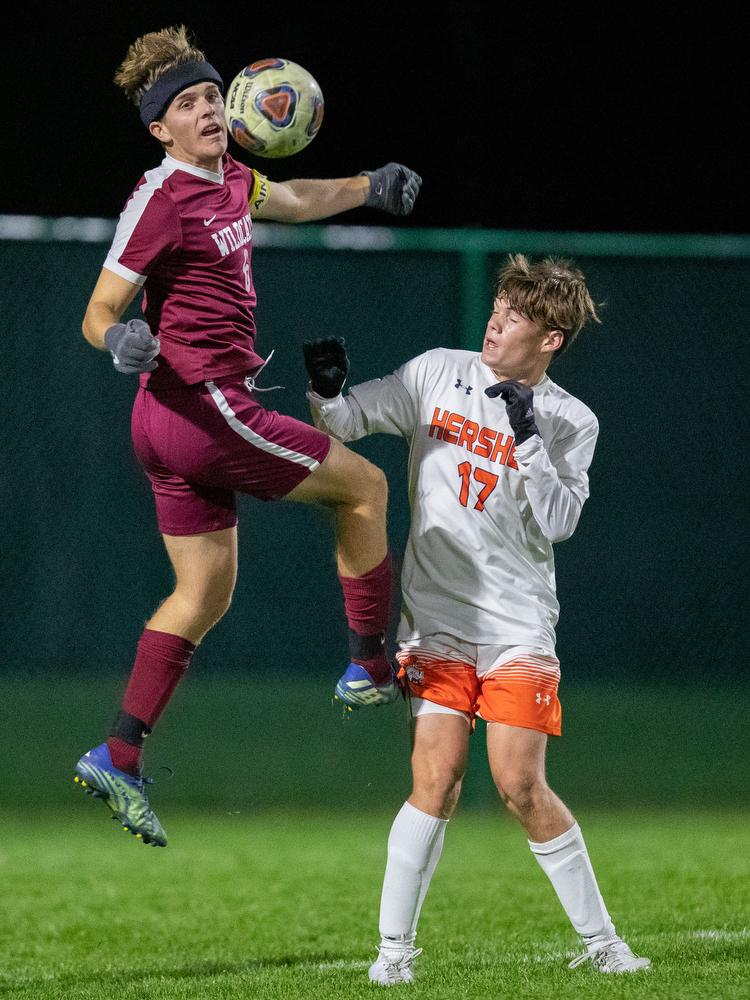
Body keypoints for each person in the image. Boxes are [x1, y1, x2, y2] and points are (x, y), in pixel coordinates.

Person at [75, 25, 421, 847]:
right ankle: (371, 662)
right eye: (187, 105)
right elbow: (98, 310)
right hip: (203, 408)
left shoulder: (230, 176)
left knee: (204, 595)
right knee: (366, 488)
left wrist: (370, 183)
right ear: (159, 127)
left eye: (208, 97)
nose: (205, 112)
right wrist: (115, 339)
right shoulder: (160, 198)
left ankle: (118, 752)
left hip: (171, 423)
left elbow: (294, 199)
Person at [304, 254, 651, 979]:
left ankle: (605, 947)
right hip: (435, 624)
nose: (496, 320)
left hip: (518, 625)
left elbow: (558, 522)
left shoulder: (568, 420)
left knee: (520, 783)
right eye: (498, 304)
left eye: (517, 315)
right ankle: (393, 957)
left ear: (550, 338)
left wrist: (527, 436)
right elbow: (349, 417)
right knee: (437, 777)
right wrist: (326, 390)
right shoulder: (438, 372)